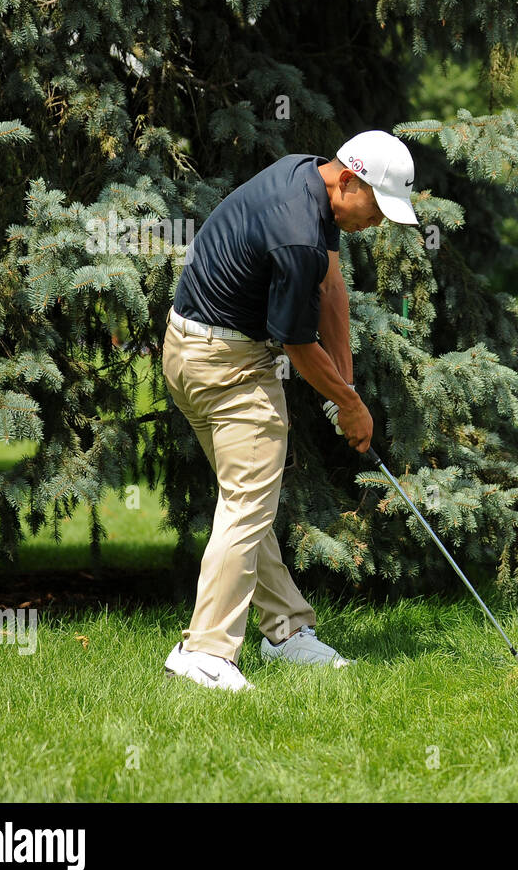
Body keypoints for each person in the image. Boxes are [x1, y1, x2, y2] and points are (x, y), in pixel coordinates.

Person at [160, 131, 420, 691]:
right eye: (377, 208)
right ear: (350, 180)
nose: (376, 224)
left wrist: (347, 382)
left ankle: (285, 632)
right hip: (227, 365)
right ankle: (204, 651)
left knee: (246, 499)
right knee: (248, 503)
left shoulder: (308, 176)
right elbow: (298, 345)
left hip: (189, 349)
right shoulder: (297, 232)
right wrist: (349, 407)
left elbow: (330, 289)